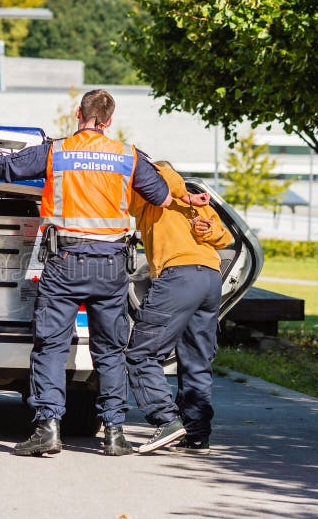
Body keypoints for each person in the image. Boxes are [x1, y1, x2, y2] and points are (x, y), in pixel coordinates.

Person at [0, 89, 175, 457]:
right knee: (110, 350)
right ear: (109, 121)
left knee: (51, 346)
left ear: (77, 113)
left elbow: (0, 168)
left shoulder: (57, 151)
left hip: (65, 261)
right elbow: (163, 197)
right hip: (111, 265)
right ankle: (114, 434)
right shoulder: (127, 155)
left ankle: (48, 429)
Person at [126, 161, 232, 455]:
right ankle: (197, 436)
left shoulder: (153, 197)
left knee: (142, 353)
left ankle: (166, 419)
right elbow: (225, 237)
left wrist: (206, 226)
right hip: (210, 279)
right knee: (196, 360)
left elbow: (222, 235)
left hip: (179, 277)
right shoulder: (189, 201)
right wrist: (204, 223)